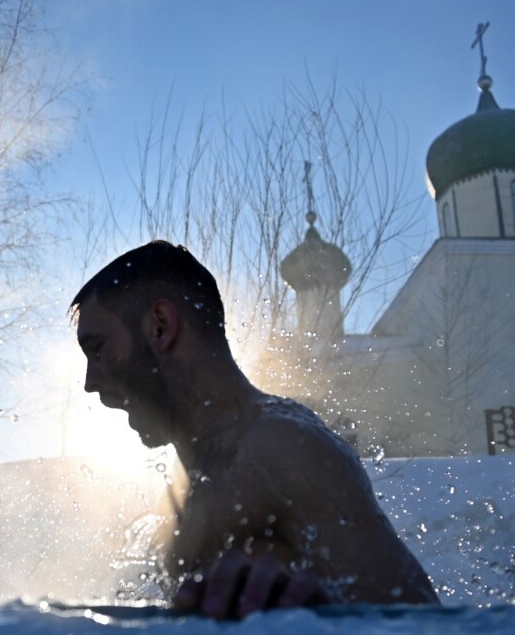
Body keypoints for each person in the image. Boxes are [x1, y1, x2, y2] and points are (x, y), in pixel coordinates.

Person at [70, 241, 439, 619]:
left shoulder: (283, 447)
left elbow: (422, 623)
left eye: (97, 349)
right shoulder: (180, 486)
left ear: (160, 327)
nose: (90, 382)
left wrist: (321, 606)